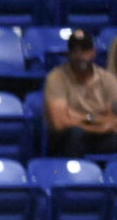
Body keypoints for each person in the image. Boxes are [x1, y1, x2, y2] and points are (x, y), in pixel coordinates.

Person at [45, 28, 117, 157]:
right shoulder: (56, 77)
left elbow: (113, 121)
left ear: (93, 52)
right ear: (68, 53)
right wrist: (98, 121)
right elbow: (60, 123)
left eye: (84, 50)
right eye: (75, 50)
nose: (79, 55)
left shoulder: (107, 79)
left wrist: (78, 117)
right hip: (69, 139)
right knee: (75, 133)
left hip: (101, 138)